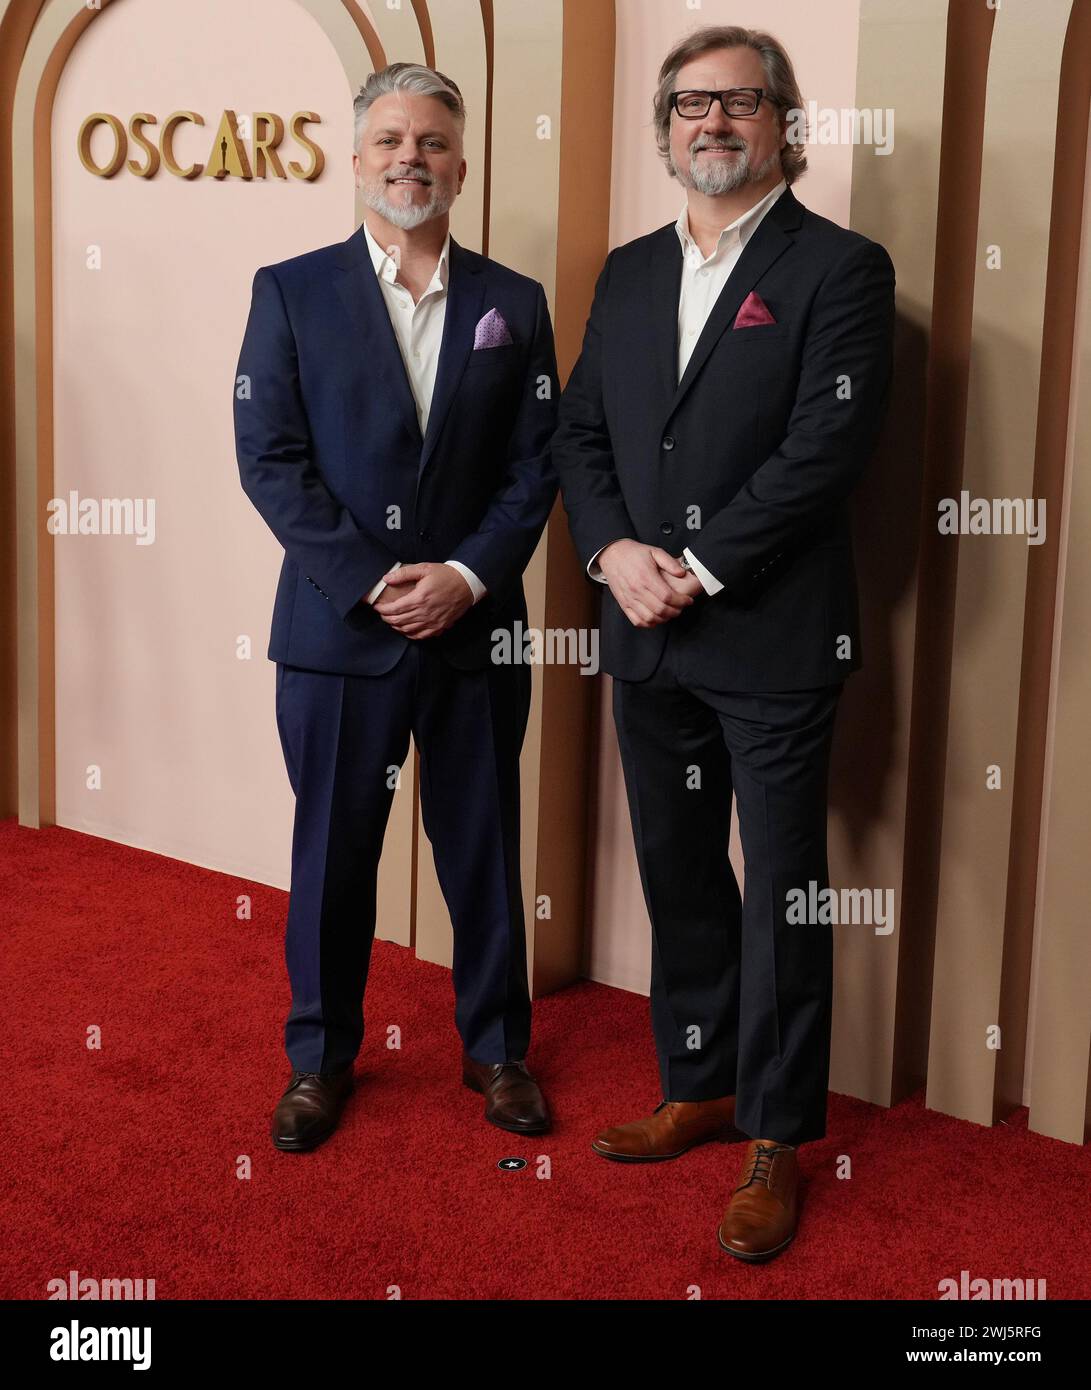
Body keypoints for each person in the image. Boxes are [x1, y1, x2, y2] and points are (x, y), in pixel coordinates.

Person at [552, 25, 895, 1261]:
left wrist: (693, 564)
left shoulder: (842, 271)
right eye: (690, 105)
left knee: (785, 889)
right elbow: (580, 433)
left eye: (739, 104)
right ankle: (695, 1081)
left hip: (770, 640)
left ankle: (776, 1132)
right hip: (643, 634)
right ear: (663, 131)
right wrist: (612, 556)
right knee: (679, 868)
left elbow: (823, 453)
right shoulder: (629, 269)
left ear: (782, 126)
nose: (712, 123)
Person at [233, 63, 559, 1153]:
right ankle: (319, 1057)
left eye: (429, 142)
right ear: (356, 155)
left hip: (474, 626)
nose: (408, 157)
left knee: (483, 844)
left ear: (460, 167)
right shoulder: (289, 290)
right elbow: (270, 461)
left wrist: (464, 575)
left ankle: (497, 1047)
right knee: (332, 850)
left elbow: (536, 462)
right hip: (339, 629)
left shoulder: (513, 303)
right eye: (388, 140)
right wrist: (376, 580)